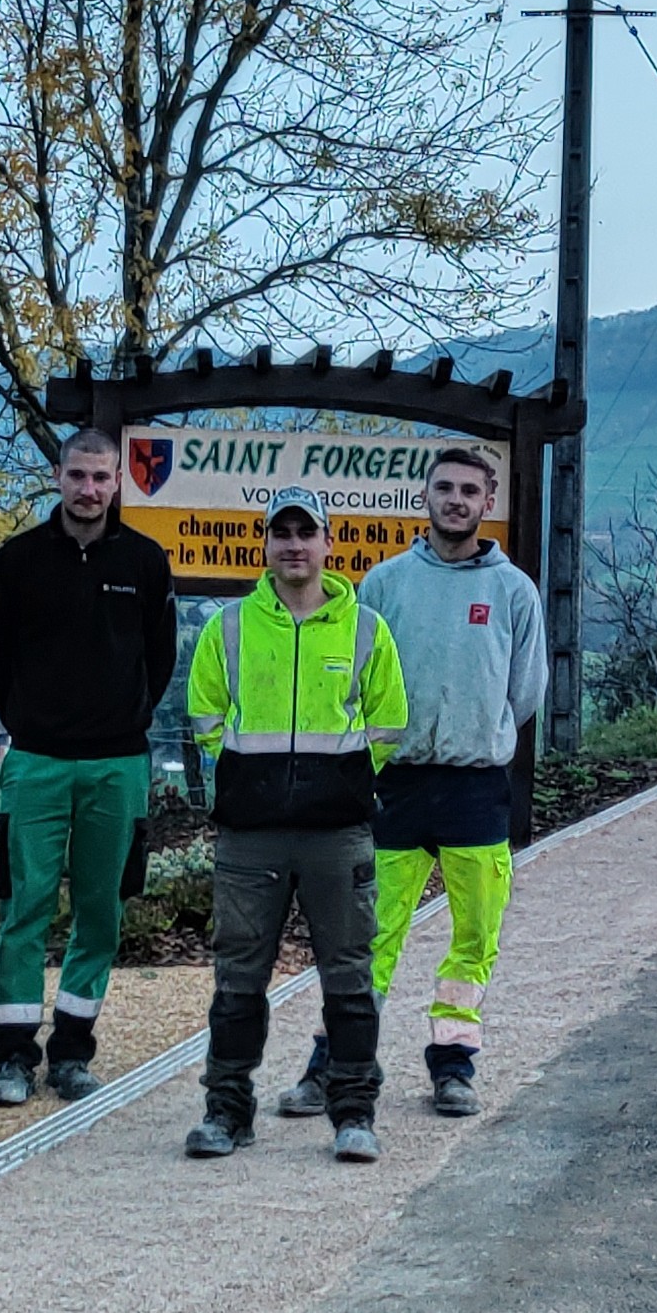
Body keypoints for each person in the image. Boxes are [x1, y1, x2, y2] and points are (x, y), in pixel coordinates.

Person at [278, 446, 542, 1121]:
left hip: (477, 790)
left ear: (489, 502)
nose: (456, 499)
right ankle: (331, 1063)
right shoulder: (386, 583)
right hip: (394, 784)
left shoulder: (514, 591)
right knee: (366, 938)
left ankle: (453, 1066)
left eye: (469, 490)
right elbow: (356, 679)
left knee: (475, 936)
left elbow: (526, 692)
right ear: (425, 496)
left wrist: (476, 734)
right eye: (444, 487)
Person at [181, 486, 408, 1164]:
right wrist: (248, 778)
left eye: (305, 532)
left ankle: (354, 1112)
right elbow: (205, 715)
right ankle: (226, 1110)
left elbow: (390, 719)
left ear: (327, 542)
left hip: (338, 832)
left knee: (348, 974)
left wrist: (340, 775)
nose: (293, 544)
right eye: (281, 533)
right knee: (238, 977)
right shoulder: (230, 627)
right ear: (267, 544)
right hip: (251, 834)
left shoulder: (366, 627)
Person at [0, 425, 177, 1107]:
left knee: (101, 910)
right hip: (36, 761)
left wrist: (126, 717)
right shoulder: (19, 560)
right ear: (57, 477)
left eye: (101, 477)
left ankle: (71, 1051)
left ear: (118, 480)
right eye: (78, 475)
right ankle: (10, 1056)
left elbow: (161, 656)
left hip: (117, 765)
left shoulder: (146, 563)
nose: (89, 488)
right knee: (22, 907)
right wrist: (29, 719)